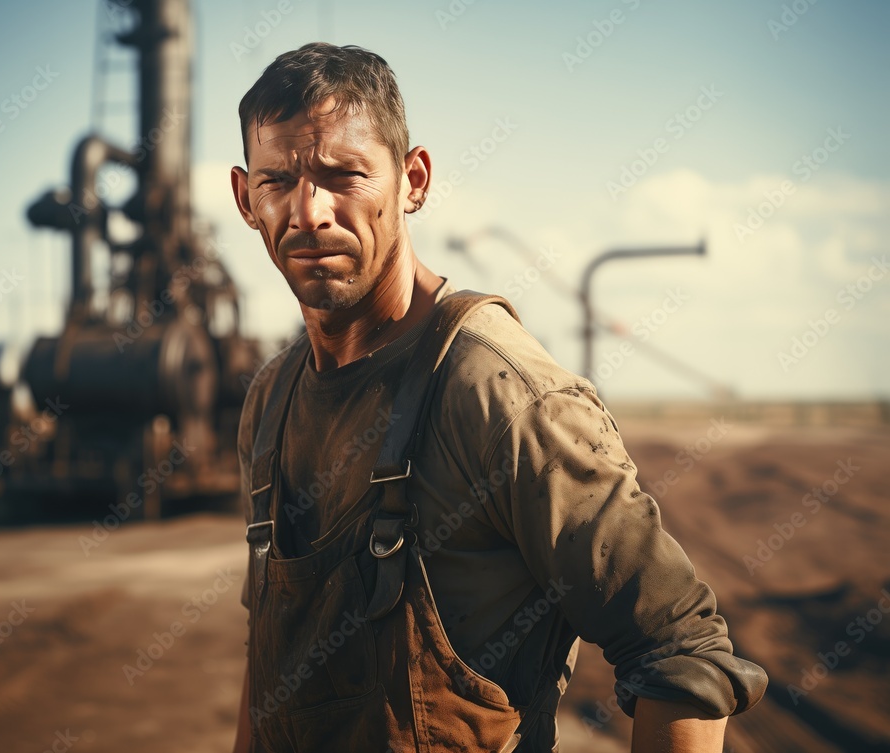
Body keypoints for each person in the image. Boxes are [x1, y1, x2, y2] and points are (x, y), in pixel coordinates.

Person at [229, 42, 766, 752]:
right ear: (244, 198)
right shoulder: (272, 399)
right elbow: (268, 673)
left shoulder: (499, 393)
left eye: (344, 175)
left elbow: (681, 650)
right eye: (278, 180)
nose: (309, 210)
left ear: (412, 180)